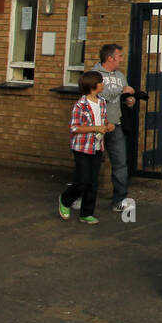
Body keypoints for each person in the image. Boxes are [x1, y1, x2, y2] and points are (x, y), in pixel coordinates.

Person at [57, 70, 110, 225]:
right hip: (81, 147)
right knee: (83, 179)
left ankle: (86, 213)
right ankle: (65, 200)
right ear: (94, 85)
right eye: (101, 81)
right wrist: (95, 128)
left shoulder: (102, 102)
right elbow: (74, 128)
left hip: (96, 146)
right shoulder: (80, 105)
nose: (103, 84)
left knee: (93, 182)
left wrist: (108, 126)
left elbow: (104, 121)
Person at [92, 44, 137, 211]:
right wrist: (120, 90)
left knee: (120, 163)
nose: (121, 59)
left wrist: (129, 100)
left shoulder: (120, 75)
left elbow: (124, 97)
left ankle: (119, 200)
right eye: (119, 56)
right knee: (92, 163)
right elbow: (97, 96)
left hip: (116, 124)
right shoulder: (95, 75)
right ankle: (83, 197)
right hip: (97, 126)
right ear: (110, 58)